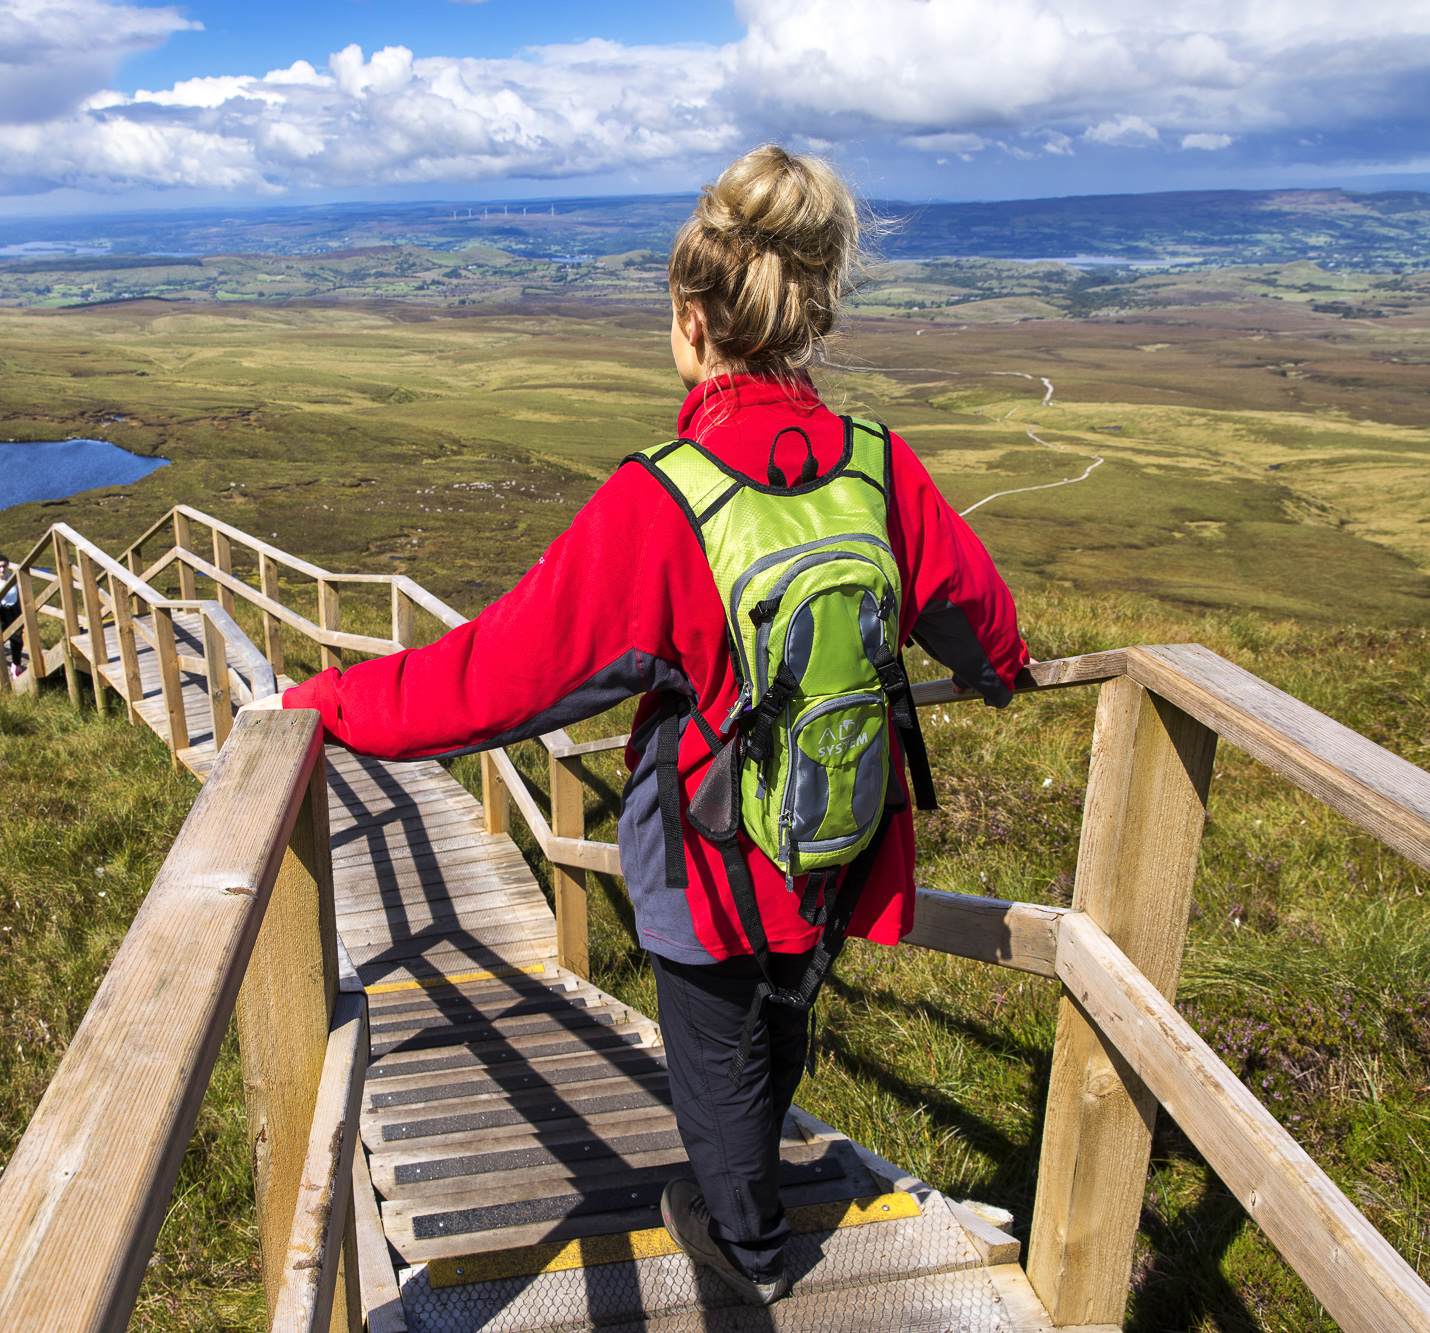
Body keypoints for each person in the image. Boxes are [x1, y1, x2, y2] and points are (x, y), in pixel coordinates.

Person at [255, 146, 1029, 1305]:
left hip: (709, 854)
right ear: (806, 313)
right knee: (780, 1020)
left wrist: (322, 704)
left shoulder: (663, 499)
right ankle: (747, 1195)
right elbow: (978, 619)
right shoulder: (874, 465)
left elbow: (491, 678)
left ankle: (749, 1251)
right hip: (829, 832)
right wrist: (1005, 673)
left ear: (689, 319)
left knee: (713, 1050)